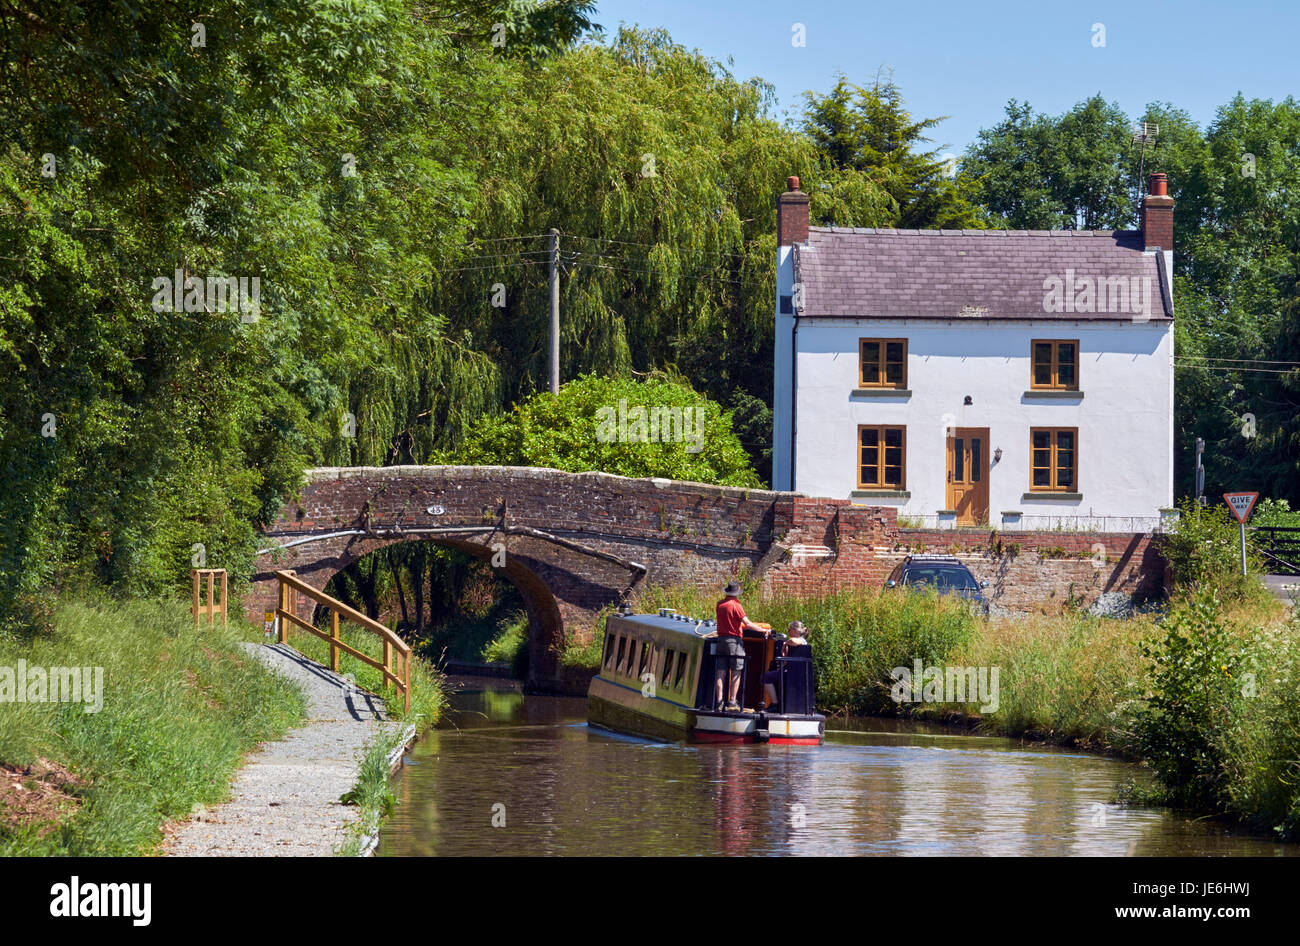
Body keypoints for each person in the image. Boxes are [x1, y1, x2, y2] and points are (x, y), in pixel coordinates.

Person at [713, 581, 768, 711]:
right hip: (734, 641)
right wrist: (763, 630)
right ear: (737, 593)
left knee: (721, 672)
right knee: (736, 671)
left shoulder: (719, 604)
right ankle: (732, 701)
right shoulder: (736, 605)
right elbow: (747, 624)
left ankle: (719, 702)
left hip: (721, 640)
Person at [762, 621, 810, 712]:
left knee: (766, 677)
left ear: (795, 630)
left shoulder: (801, 641)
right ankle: (777, 703)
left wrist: (785, 643)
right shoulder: (793, 642)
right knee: (768, 676)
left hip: (794, 672)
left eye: (789, 629)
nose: (788, 631)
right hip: (790, 669)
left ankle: (775, 704)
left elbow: (794, 641)